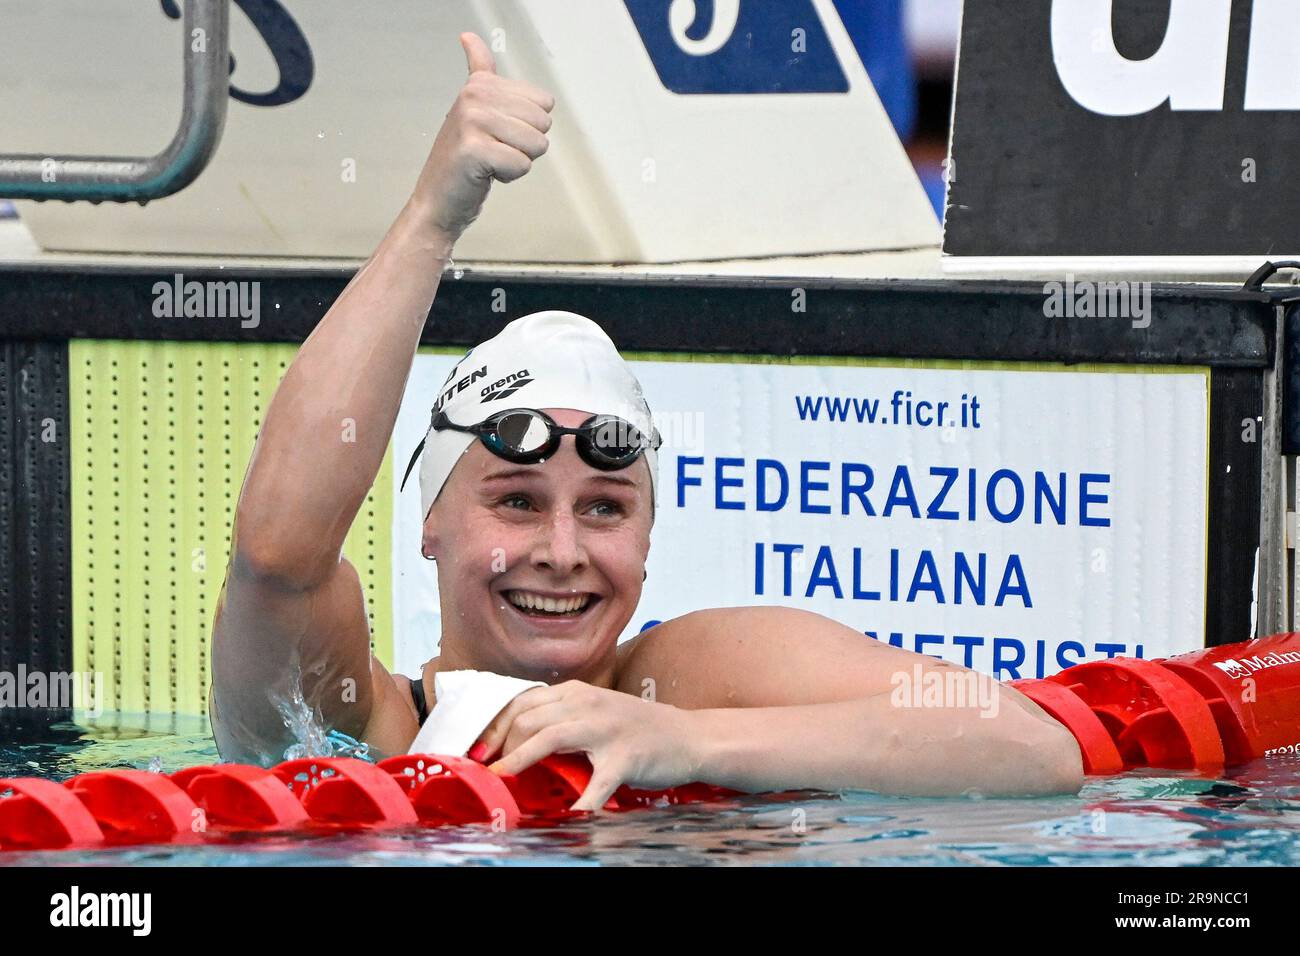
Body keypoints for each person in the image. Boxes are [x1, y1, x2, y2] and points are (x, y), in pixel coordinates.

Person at [209, 32, 1083, 810]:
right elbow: (279, 552)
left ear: (650, 536)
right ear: (430, 524)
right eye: (517, 500)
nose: (562, 549)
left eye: (605, 507)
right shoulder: (363, 728)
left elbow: (1029, 745)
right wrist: (433, 220)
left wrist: (689, 745)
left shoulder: (694, 682)